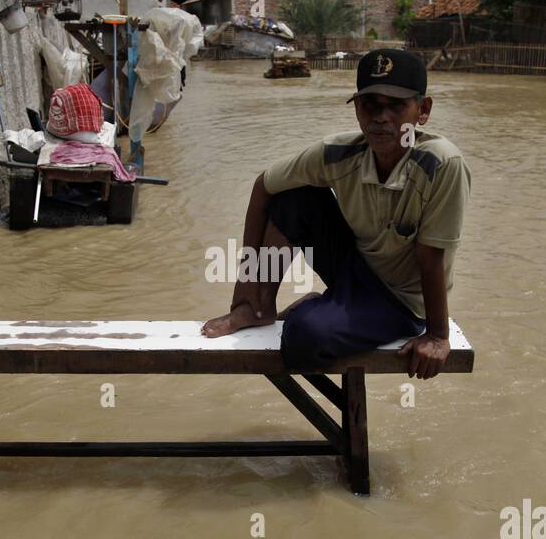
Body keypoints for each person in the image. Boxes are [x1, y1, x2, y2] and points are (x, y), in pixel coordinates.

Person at [201, 48, 471, 380]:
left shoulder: (441, 164)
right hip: (354, 269)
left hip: (400, 303)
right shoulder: (338, 154)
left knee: (304, 337)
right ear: (356, 107)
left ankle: (320, 308)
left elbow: (430, 256)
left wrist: (437, 335)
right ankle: (259, 307)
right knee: (293, 196)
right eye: (370, 105)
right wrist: (245, 289)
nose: (381, 117)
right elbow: (264, 186)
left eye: (396, 106)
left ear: (422, 110)